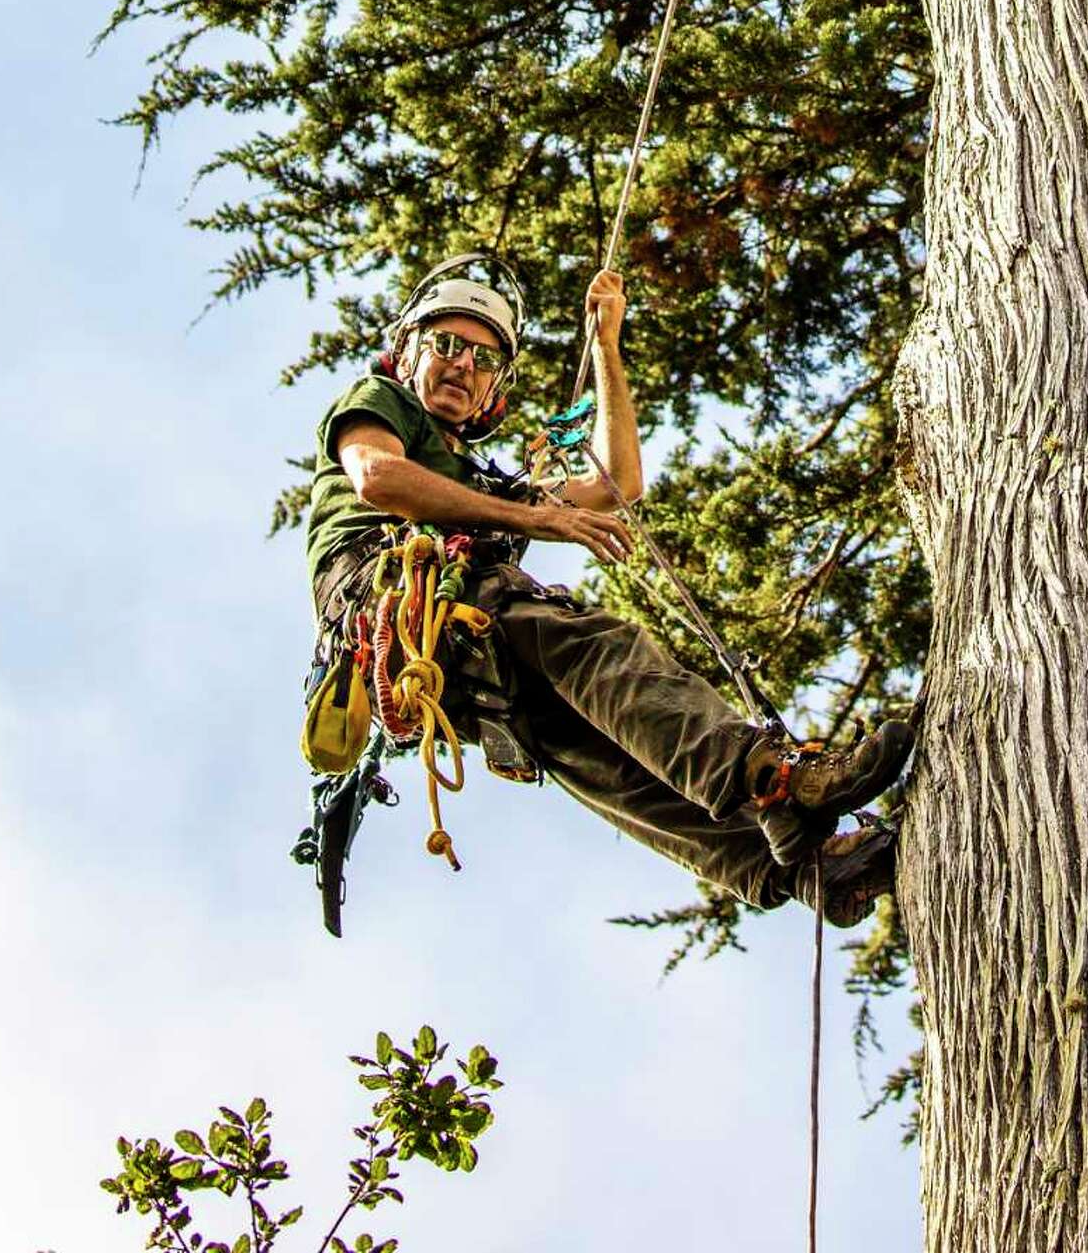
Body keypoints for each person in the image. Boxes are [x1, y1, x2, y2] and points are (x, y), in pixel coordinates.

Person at [304, 258, 910, 923]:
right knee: (595, 650)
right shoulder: (383, 401)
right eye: (446, 344)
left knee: (602, 756)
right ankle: (778, 779)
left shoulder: (481, 484)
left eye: (483, 358)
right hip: (397, 598)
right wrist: (536, 518)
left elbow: (618, 483)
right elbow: (377, 476)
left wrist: (605, 348)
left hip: (455, 645)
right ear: (409, 350)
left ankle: (801, 869)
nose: (462, 365)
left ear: (494, 390)